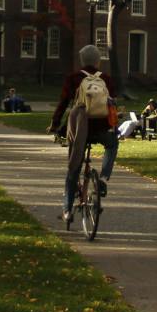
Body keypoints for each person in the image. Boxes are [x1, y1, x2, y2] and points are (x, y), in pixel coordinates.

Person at [49, 45, 119, 222]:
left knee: (73, 169)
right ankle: (103, 177)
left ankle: (67, 210)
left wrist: (55, 124)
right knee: (112, 144)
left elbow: (63, 103)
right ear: (98, 61)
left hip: (80, 130)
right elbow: (113, 105)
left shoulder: (73, 78)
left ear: (81, 61)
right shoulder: (107, 79)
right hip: (102, 129)